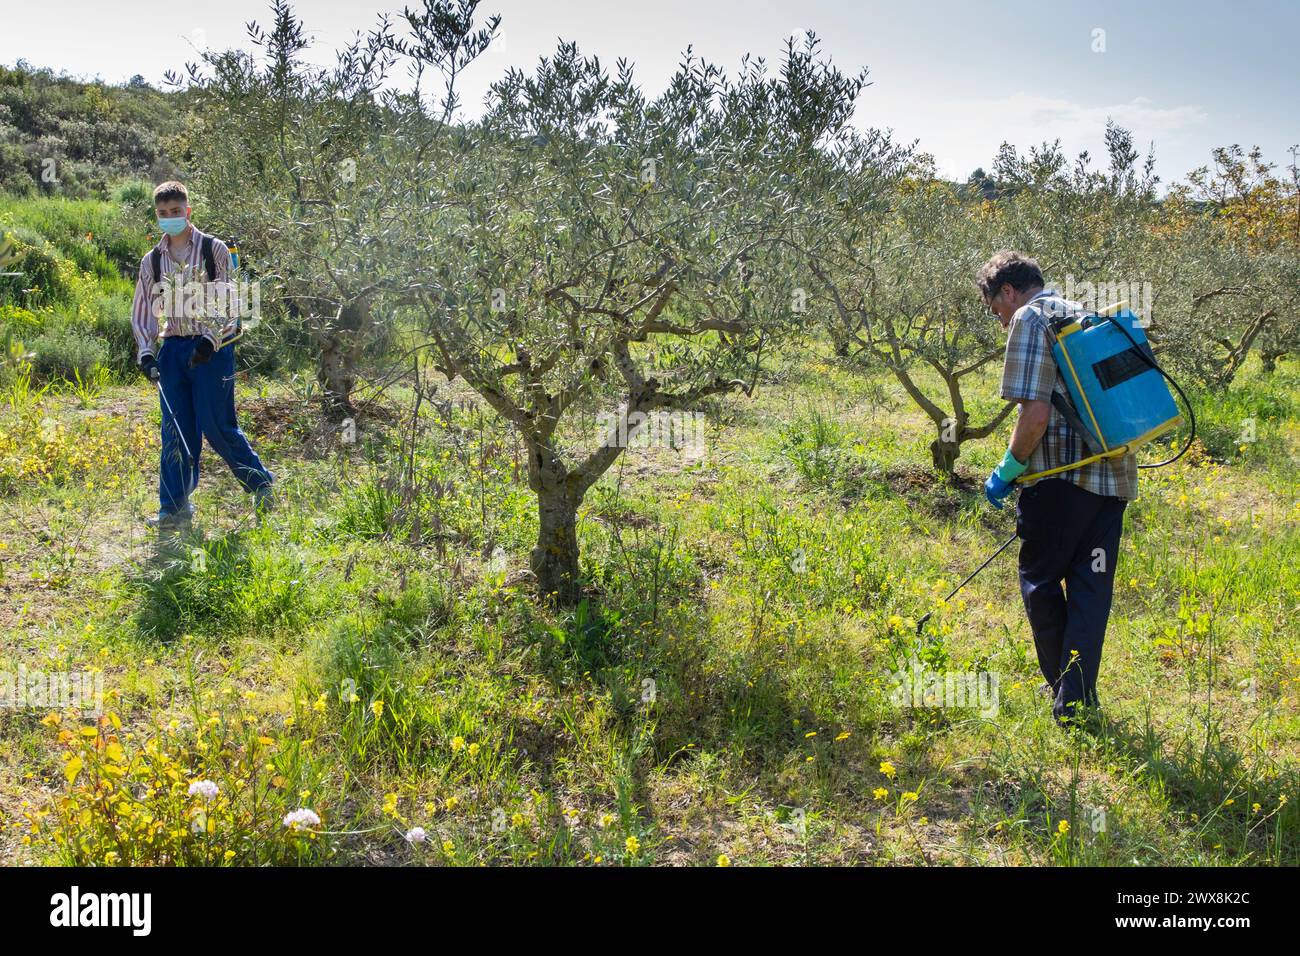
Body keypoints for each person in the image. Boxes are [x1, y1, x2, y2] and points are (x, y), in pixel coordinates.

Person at [977, 250, 1135, 727]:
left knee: (1041, 581)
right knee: (1090, 591)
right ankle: (1078, 704)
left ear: (1008, 291)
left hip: (1060, 481)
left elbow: (1035, 413)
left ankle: (1065, 695)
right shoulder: (1084, 314)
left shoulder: (1030, 316)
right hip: (1113, 479)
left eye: (995, 309)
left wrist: (1008, 469)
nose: (1001, 321)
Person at [132, 180, 273, 529]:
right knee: (175, 430)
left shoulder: (214, 250)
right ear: (157, 215)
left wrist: (210, 341)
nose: (170, 218)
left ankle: (260, 484)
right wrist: (147, 353)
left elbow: (229, 302)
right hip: (174, 349)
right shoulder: (152, 260)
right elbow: (143, 309)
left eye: (176, 212)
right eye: (163, 214)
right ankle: (173, 510)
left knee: (217, 425)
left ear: (188, 211)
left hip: (214, 349)